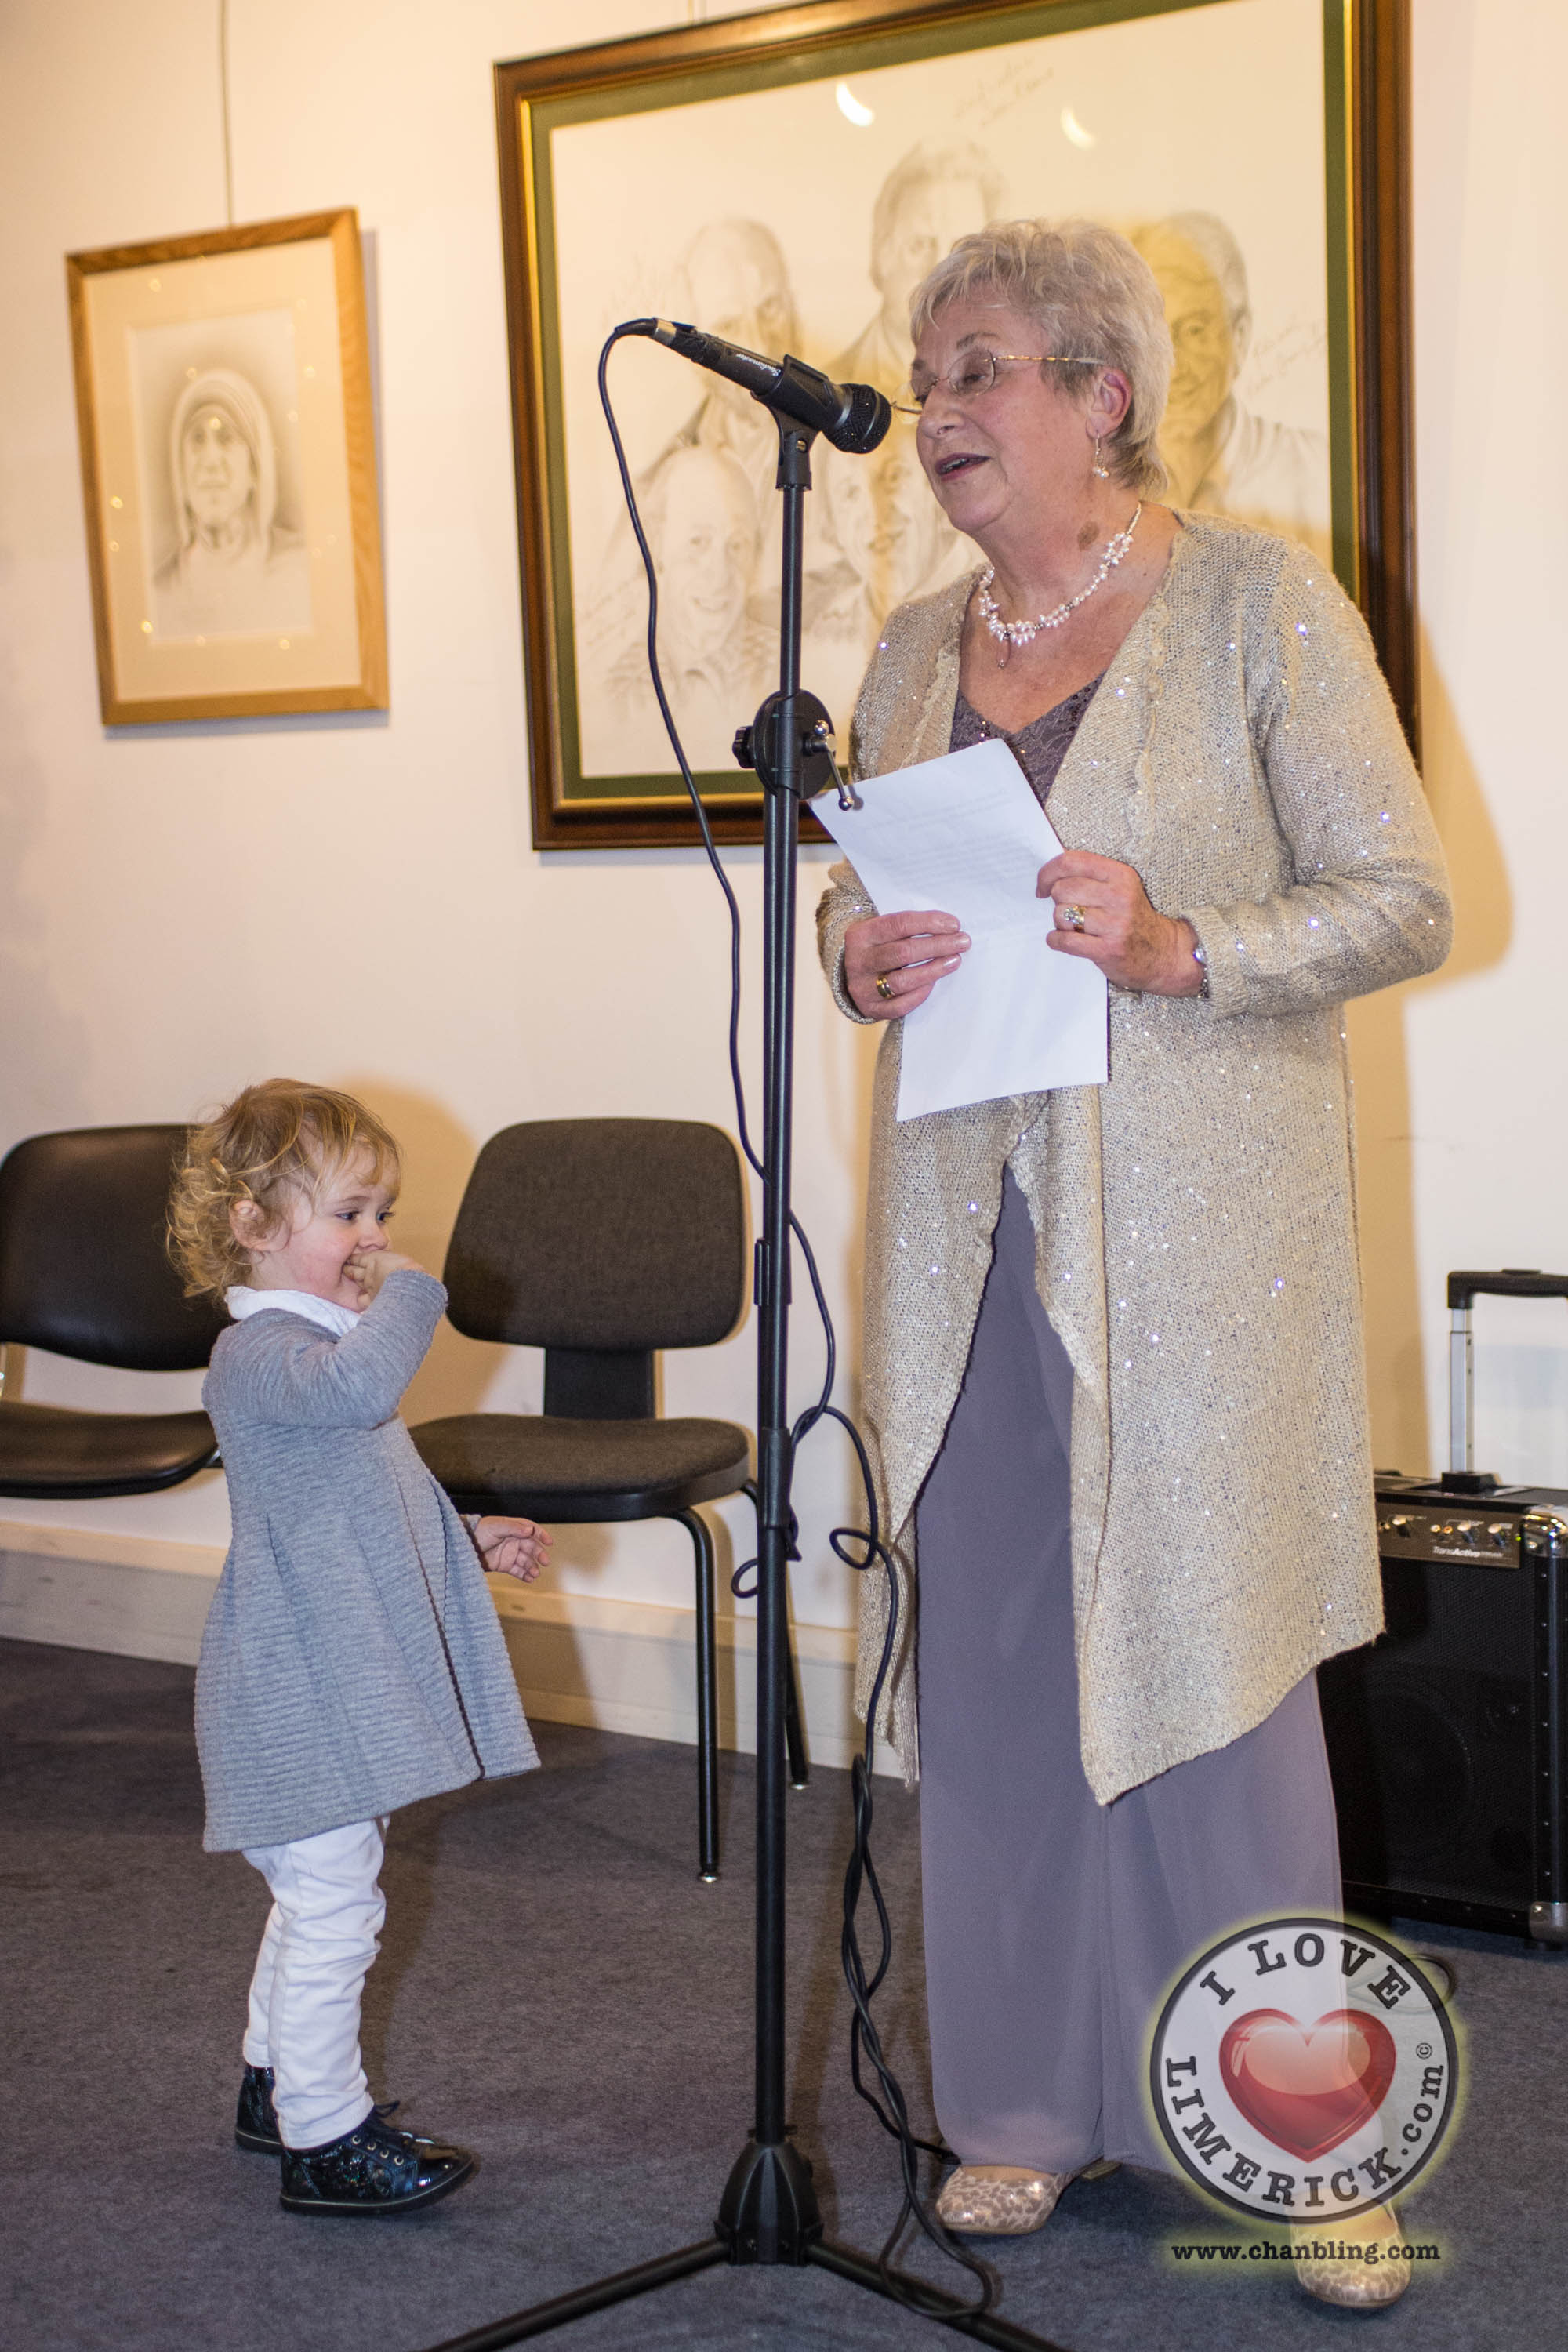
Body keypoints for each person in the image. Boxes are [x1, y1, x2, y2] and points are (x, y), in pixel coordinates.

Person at [815, 220, 1450, 2310]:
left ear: (1100, 391)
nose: (936, 413)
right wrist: (853, 953)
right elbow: (861, 897)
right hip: (964, 1228)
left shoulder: (1260, 606)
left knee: (1221, 1683)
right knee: (997, 1668)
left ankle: (1311, 2150)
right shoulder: (911, 644)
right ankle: (1021, 2103)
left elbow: (1402, 898)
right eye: (925, 377)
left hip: (1198, 1243)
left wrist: (1184, 946)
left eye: (977, 370)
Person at [169, 1080, 549, 2216]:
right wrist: (419, 1291)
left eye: (382, 1215)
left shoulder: (316, 1350)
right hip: (296, 1692)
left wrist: (467, 1535)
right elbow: (360, 1388)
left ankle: (275, 2087)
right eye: (348, 1214)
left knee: (318, 1898)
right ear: (252, 1225)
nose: (376, 1239)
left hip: (327, 1680)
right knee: (338, 1909)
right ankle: (325, 2139)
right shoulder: (260, 1352)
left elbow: (366, 1491)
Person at [1130, 212, 1330, 562]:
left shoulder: (1315, 473)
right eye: (1156, 335)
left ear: (1240, 337)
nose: (1174, 365)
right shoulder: (1096, 486)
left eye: (1194, 330)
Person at [152, 370, 312, 639]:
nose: (211, 460)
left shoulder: (297, 568)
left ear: (255, 469)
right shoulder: (161, 590)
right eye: (197, 440)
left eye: (226, 438)